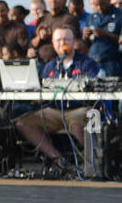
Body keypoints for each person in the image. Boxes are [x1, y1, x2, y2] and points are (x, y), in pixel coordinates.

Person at [14, 27, 101, 175]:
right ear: (53, 44)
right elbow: (44, 91)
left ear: (74, 42)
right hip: (54, 111)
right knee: (23, 123)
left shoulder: (87, 63)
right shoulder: (50, 66)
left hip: (79, 109)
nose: (62, 43)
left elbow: (95, 88)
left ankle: (92, 163)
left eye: (66, 39)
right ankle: (59, 160)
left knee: (76, 125)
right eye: (58, 40)